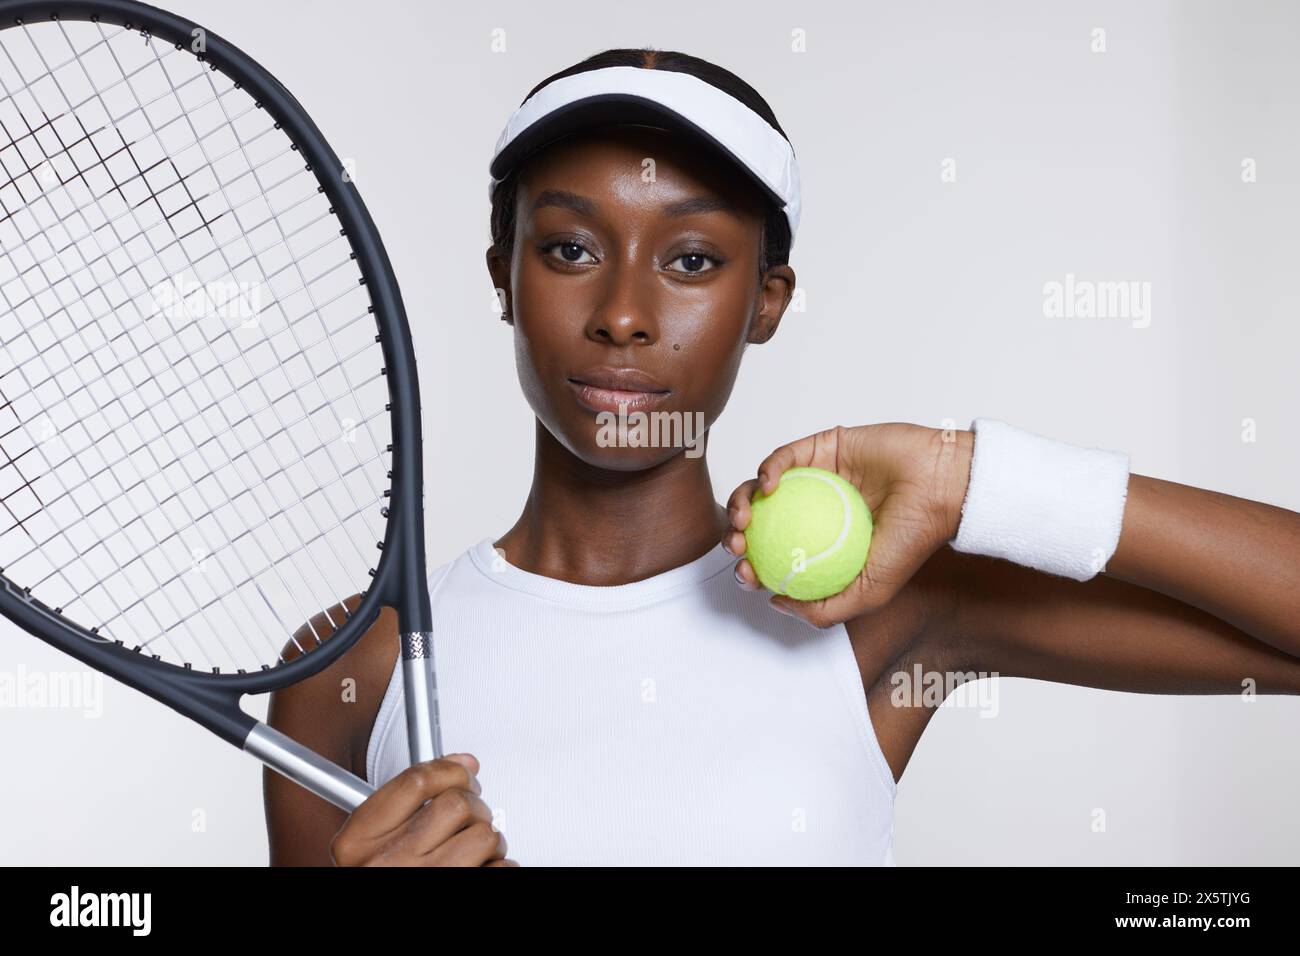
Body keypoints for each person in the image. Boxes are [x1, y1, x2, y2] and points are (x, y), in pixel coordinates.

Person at [263, 48, 1300, 866]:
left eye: (693, 259)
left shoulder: (886, 615)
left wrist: (967, 475)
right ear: (503, 274)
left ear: (767, 299)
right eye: (571, 248)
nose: (623, 312)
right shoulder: (348, 667)